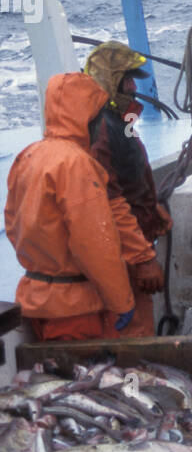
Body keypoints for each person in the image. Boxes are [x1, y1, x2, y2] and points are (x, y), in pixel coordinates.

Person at [4, 72, 136, 341]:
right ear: (90, 117)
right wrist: (122, 302)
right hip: (74, 312)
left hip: (34, 299)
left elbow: (12, 224)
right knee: (81, 379)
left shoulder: (29, 155)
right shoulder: (77, 164)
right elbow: (94, 244)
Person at [82, 41, 171, 337]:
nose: (134, 87)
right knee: (135, 336)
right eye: (127, 79)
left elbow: (130, 179)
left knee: (141, 329)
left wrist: (152, 209)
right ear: (109, 81)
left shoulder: (119, 122)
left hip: (134, 244)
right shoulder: (101, 131)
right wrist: (143, 260)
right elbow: (109, 203)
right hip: (124, 257)